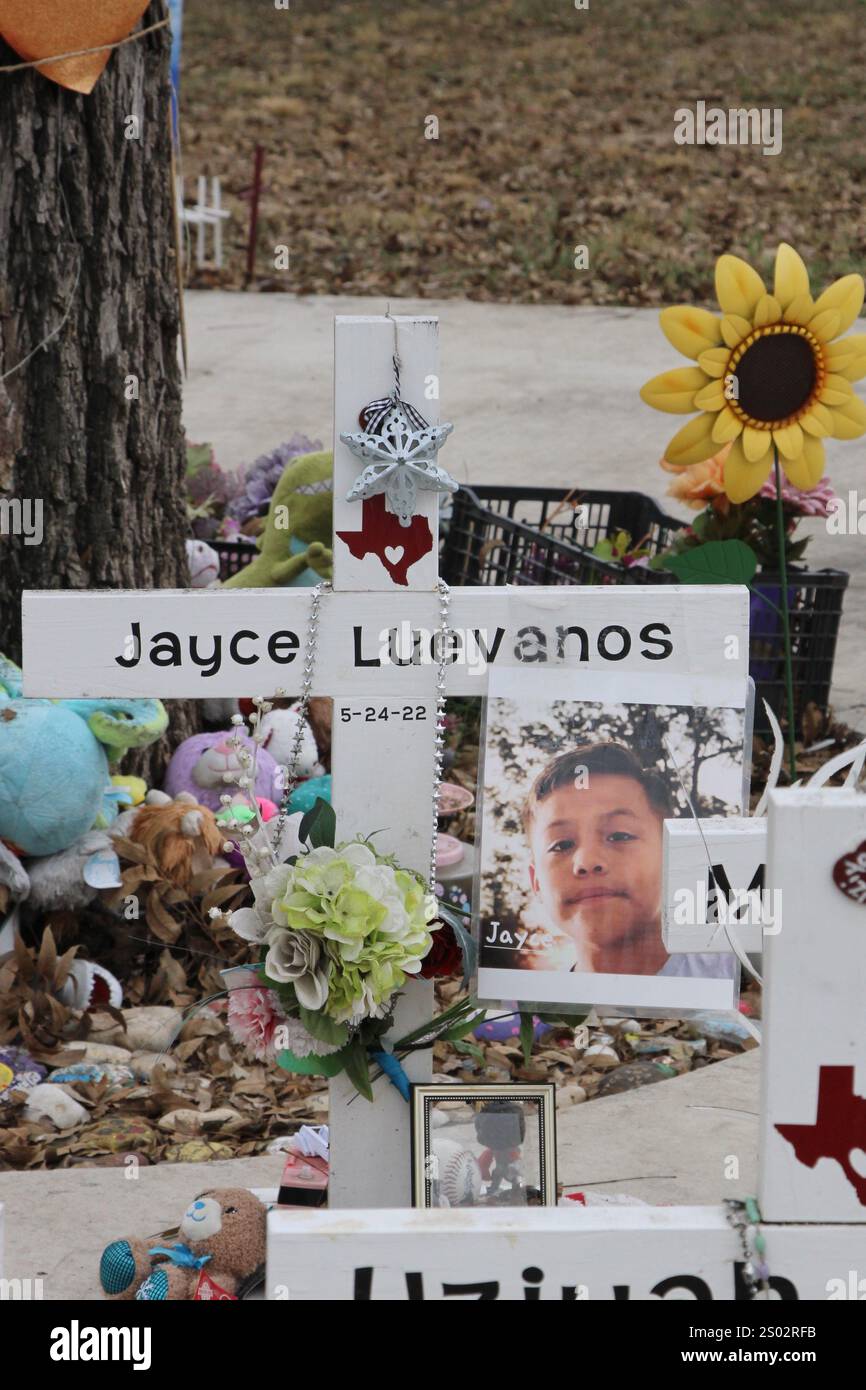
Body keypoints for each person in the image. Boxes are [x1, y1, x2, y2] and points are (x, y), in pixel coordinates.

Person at [520, 741, 732, 979]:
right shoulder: (530, 1006)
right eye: (561, 845)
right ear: (536, 881)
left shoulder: (737, 976)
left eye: (620, 835)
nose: (587, 861)